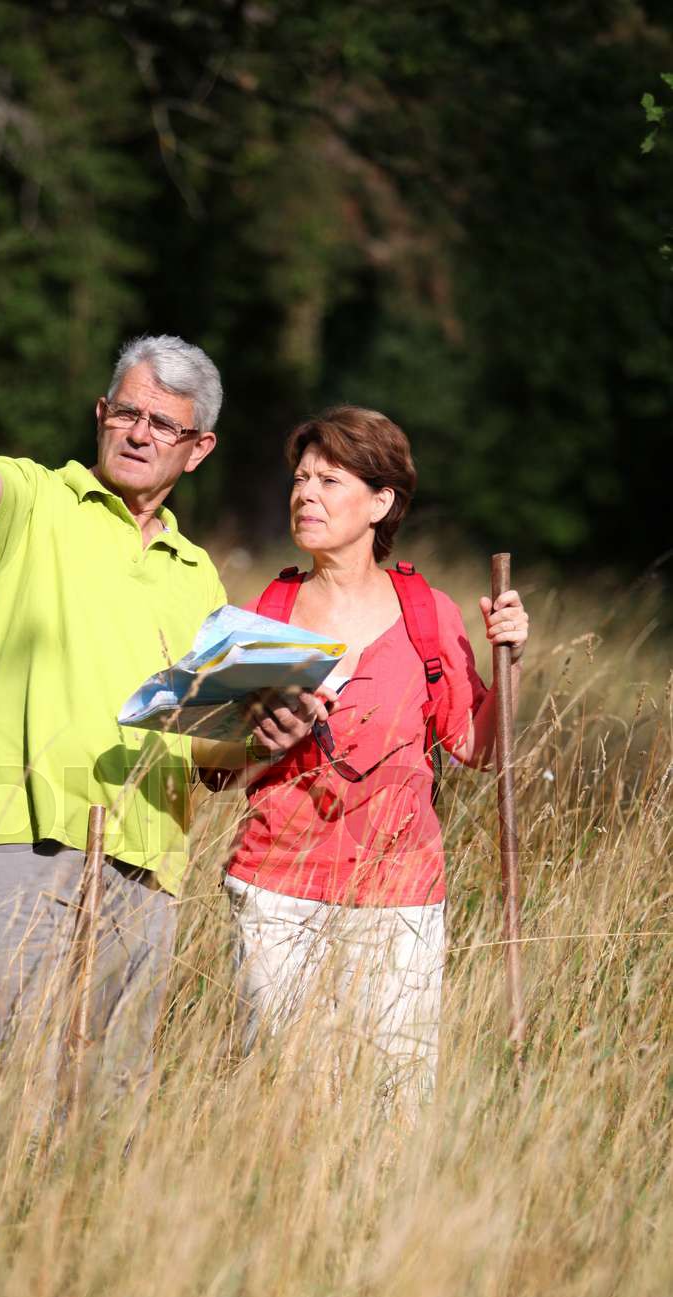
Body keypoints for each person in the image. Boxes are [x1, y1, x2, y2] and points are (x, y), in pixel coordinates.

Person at [0, 334, 273, 1090]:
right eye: (126, 412)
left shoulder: (199, 577)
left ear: (198, 448)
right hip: (18, 837)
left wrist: (259, 738)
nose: (139, 433)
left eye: (164, 424)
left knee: (109, 1099)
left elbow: (209, 752)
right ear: (100, 413)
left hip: (144, 862)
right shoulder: (38, 499)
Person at [205, 404, 529, 1112]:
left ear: (382, 502)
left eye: (328, 480)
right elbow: (216, 768)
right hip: (276, 886)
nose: (305, 495)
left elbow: (475, 749)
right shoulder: (268, 611)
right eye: (300, 479)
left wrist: (509, 662)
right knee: (282, 1098)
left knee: (395, 1101)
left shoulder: (427, 612)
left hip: (401, 895)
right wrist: (252, 737)